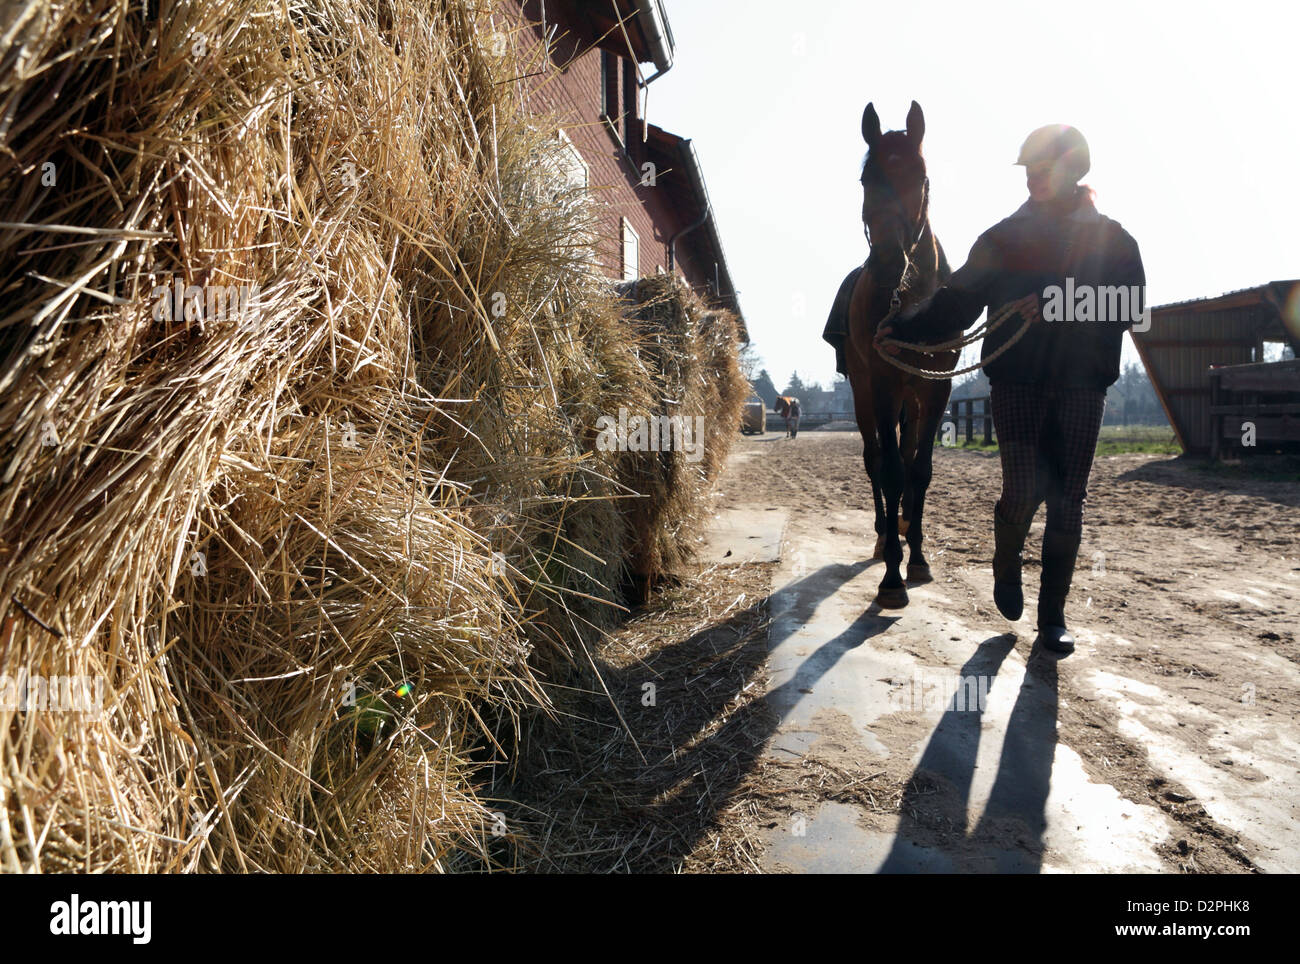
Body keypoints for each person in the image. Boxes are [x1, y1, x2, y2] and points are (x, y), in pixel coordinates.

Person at [875, 125, 1145, 655]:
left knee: (1068, 501)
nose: (1034, 178)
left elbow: (1132, 307)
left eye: (1045, 169)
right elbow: (956, 302)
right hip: (1017, 382)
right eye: (1029, 169)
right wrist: (903, 327)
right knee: (1023, 488)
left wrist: (1058, 302)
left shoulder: (1113, 241)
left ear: (1073, 172)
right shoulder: (1000, 239)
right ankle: (1006, 562)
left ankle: (1053, 618)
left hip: (1082, 385)